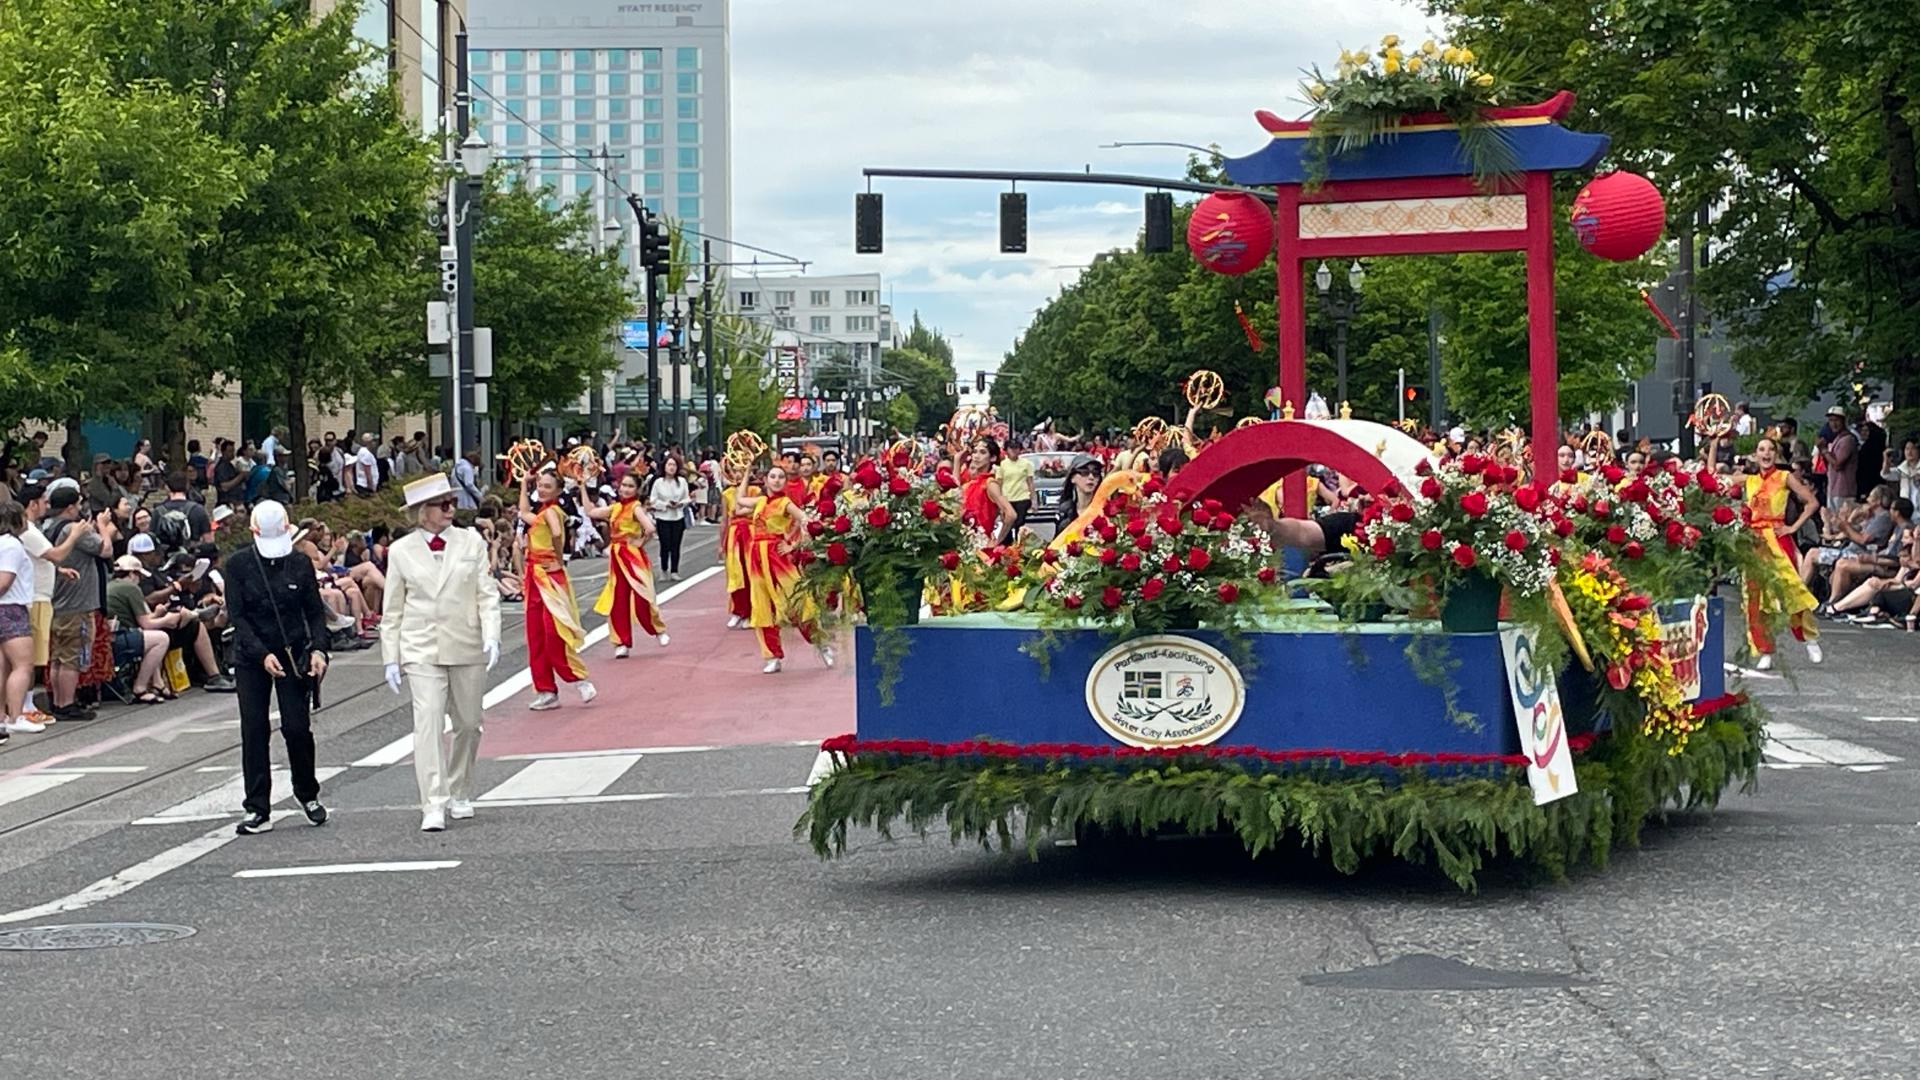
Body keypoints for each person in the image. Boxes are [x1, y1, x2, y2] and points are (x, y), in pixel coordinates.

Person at [382, 474, 501, 832]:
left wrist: (492, 635)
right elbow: (393, 610)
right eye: (442, 504)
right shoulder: (401, 551)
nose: (451, 509)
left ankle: (460, 789)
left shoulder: (470, 542)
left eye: (452, 502)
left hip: (466, 643)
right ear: (422, 512)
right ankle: (432, 802)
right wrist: (391, 656)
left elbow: (487, 593)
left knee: (468, 723)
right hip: (421, 646)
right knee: (428, 722)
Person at [224, 501, 331, 835]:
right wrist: (259, 654)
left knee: (297, 727)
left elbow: (314, 610)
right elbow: (237, 615)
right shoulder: (238, 565)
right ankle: (257, 807)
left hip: (293, 651)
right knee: (254, 729)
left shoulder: (299, 563)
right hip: (252, 656)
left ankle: (307, 793)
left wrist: (318, 648)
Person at [734, 465, 830, 674]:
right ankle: (772, 656)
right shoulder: (760, 501)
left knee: (796, 603)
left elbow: (806, 520)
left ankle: (821, 643)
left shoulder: (785, 503)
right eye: (772, 476)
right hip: (757, 559)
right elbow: (738, 503)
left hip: (778, 558)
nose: (776, 480)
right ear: (766, 480)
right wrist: (747, 473)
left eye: (780, 477)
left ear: (785, 482)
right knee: (761, 607)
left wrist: (793, 545)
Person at [1740, 437, 1823, 669]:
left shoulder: (1785, 477)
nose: (1766, 454)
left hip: (1777, 539)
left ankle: (1809, 637)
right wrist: (1715, 442)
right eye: (1761, 449)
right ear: (1755, 454)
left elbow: (1812, 502)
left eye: (1770, 450)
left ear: (1776, 455)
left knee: (1791, 589)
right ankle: (1765, 649)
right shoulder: (1749, 480)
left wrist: (1793, 527)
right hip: (1753, 541)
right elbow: (1713, 477)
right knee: (1755, 597)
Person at [517, 469, 595, 709]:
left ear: (558, 491)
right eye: (540, 485)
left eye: (547, 486)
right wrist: (523, 485)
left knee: (553, 633)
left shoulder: (552, 511)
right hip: (535, 575)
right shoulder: (541, 512)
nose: (541, 489)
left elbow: (558, 533)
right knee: (536, 634)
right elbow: (523, 512)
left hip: (549, 575)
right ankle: (546, 690)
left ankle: (577, 679)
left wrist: (559, 558)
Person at [41, 488, 113, 722]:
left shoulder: (48, 527)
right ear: (70, 506)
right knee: (72, 656)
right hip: (77, 603)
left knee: (58, 657)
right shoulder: (73, 529)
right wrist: (104, 526)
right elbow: (105, 549)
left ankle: (58, 701)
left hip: (58, 602)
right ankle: (67, 703)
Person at [590, 471, 669, 658]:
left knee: (643, 596)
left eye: (630, 486)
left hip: (632, 556)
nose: (625, 489)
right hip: (617, 557)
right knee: (618, 599)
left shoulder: (635, 508)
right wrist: (583, 487)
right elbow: (591, 512)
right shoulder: (615, 507)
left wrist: (640, 542)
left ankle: (658, 630)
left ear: (637, 489)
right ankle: (621, 642)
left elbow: (650, 528)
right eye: (623, 485)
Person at [104, 555, 177, 704]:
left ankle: (158, 683)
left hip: (111, 635)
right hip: (118, 638)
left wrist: (157, 614)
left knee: (150, 639)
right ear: (131, 574)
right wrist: (167, 620)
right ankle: (140, 687)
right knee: (161, 639)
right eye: (138, 575)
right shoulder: (130, 588)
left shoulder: (111, 585)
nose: (140, 580)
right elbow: (146, 624)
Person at [0, 502, 46, 736]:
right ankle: (16, 715)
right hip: (11, 608)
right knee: (23, 665)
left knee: (4, 665)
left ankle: (2, 716)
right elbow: (5, 580)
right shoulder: (11, 545)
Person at [719, 461, 757, 630]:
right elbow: (725, 520)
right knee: (735, 574)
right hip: (734, 536)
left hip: (750, 533)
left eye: (742, 470)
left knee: (750, 574)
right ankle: (738, 610)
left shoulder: (755, 491)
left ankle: (752, 612)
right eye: (735, 470)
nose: (738, 474)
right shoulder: (727, 494)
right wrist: (721, 543)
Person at [959, 437, 1018, 545]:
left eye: (982, 452)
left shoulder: (990, 483)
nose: (976, 456)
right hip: (966, 542)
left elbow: (1011, 514)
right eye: (975, 452)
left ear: (992, 458)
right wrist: (957, 461)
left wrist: (996, 541)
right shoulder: (971, 483)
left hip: (981, 543)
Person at [648, 455, 691, 581]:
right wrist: (665, 504)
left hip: (678, 516)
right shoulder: (658, 482)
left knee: (676, 545)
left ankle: (674, 570)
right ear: (664, 466)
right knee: (665, 545)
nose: (672, 468)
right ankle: (663, 569)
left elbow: (687, 498)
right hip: (663, 517)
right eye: (669, 465)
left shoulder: (682, 481)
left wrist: (680, 503)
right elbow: (653, 500)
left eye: (674, 465)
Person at [995, 446, 1035, 535]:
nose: (1014, 450)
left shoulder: (1026, 464)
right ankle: (1007, 545)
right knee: (1008, 522)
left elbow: (1030, 482)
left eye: (1016, 448)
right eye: (1011, 448)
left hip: (1022, 497)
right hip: (1007, 498)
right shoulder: (1002, 465)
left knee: (1020, 522)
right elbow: (999, 483)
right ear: (1007, 450)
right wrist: (999, 501)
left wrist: (1033, 500)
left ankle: (1019, 543)